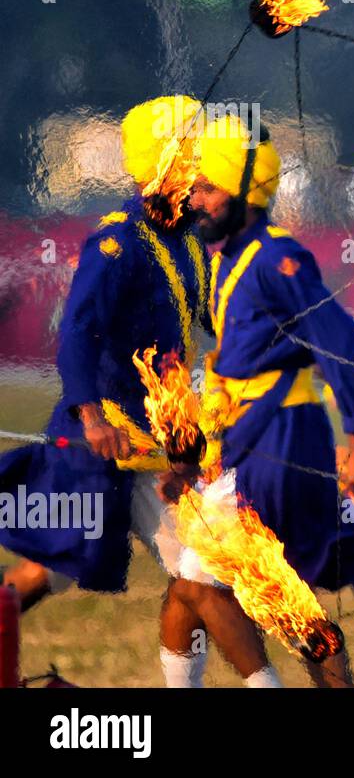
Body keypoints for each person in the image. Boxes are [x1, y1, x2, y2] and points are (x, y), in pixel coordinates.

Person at [0, 96, 279, 687]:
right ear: (164, 165)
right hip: (98, 444)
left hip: (163, 448)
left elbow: (214, 318)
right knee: (48, 570)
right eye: (193, 157)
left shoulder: (188, 241)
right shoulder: (116, 242)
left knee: (199, 576)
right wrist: (91, 415)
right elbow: (75, 333)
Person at [188, 113, 354, 687]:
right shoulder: (227, 259)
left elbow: (339, 342)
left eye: (208, 187)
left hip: (283, 438)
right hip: (251, 438)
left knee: (211, 588)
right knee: (259, 589)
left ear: (246, 191)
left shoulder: (277, 258)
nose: (195, 199)